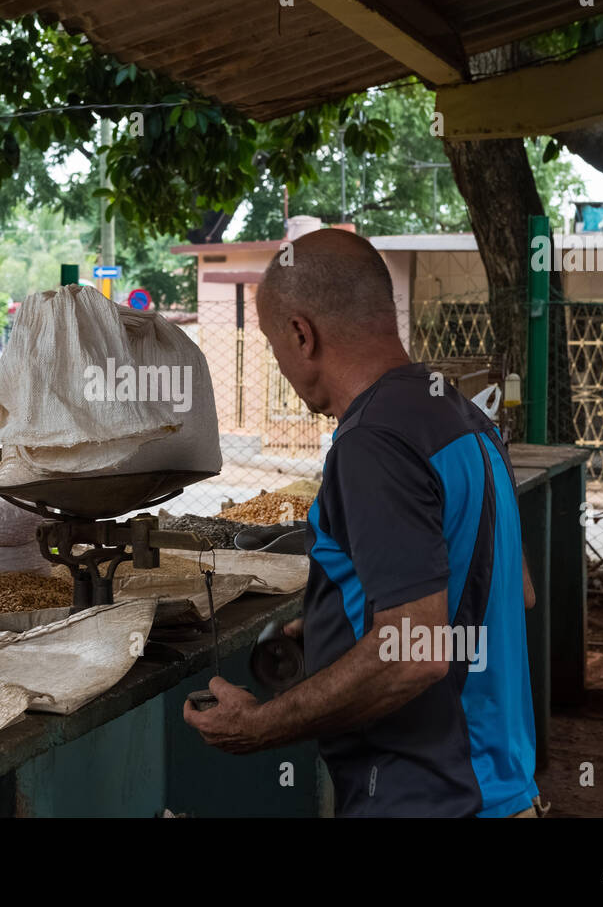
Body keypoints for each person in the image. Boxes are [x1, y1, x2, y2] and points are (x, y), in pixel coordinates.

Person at [183, 228, 544, 818]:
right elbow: (512, 590)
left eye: (275, 345)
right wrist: (336, 624)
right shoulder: (460, 415)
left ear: (302, 334)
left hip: (432, 800)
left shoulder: (373, 441)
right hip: (504, 790)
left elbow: (413, 653)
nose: (280, 361)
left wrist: (259, 725)